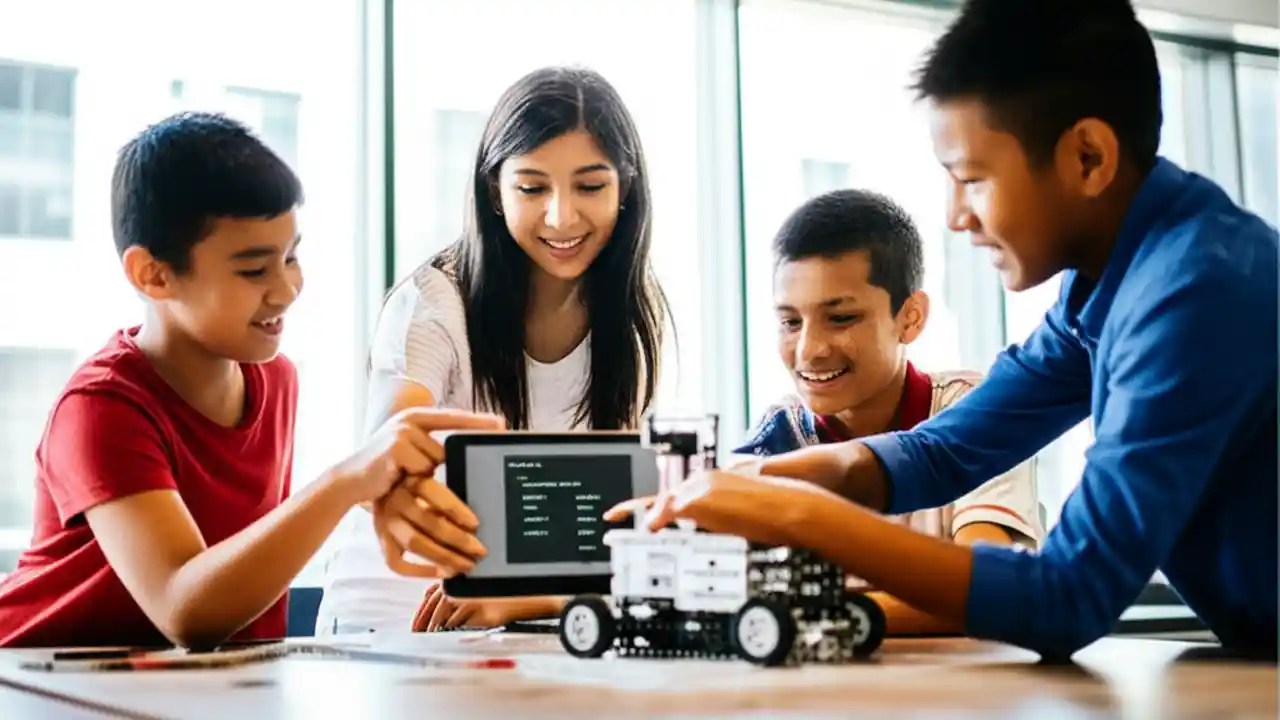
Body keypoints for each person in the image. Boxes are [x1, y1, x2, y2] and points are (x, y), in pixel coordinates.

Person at [616, 0, 1278, 658]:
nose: (955, 215)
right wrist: (758, 479)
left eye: (973, 178)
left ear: (1087, 158)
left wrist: (798, 515)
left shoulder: (1195, 291)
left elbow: (1069, 595)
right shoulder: (1106, 283)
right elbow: (942, 451)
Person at [0, 113, 499, 648]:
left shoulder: (274, 379)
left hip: (190, 685)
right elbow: (183, 609)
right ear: (154, 274)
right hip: (41, 682)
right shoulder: (101, 406)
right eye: (254, 269)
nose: (287, 289)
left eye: (291, 256)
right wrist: (347, 480)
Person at [317, 66, 670, 635]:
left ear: (625, 188)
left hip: (529, 615)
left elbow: (617, 525)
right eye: (532, 187)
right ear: (495, 192)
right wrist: (393, 485)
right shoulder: (436, 301)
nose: (561, 216)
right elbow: (390, 438)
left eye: (590, 185)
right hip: (393, 616)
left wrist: (537, 595)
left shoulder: (632, 318)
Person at [733, 188, 1040, 634]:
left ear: (911, 317)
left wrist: (820, 618)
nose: (810, 350)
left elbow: (986, 591)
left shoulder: (976, 412)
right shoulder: (775, 435)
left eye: (840, 318)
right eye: (790, 322)